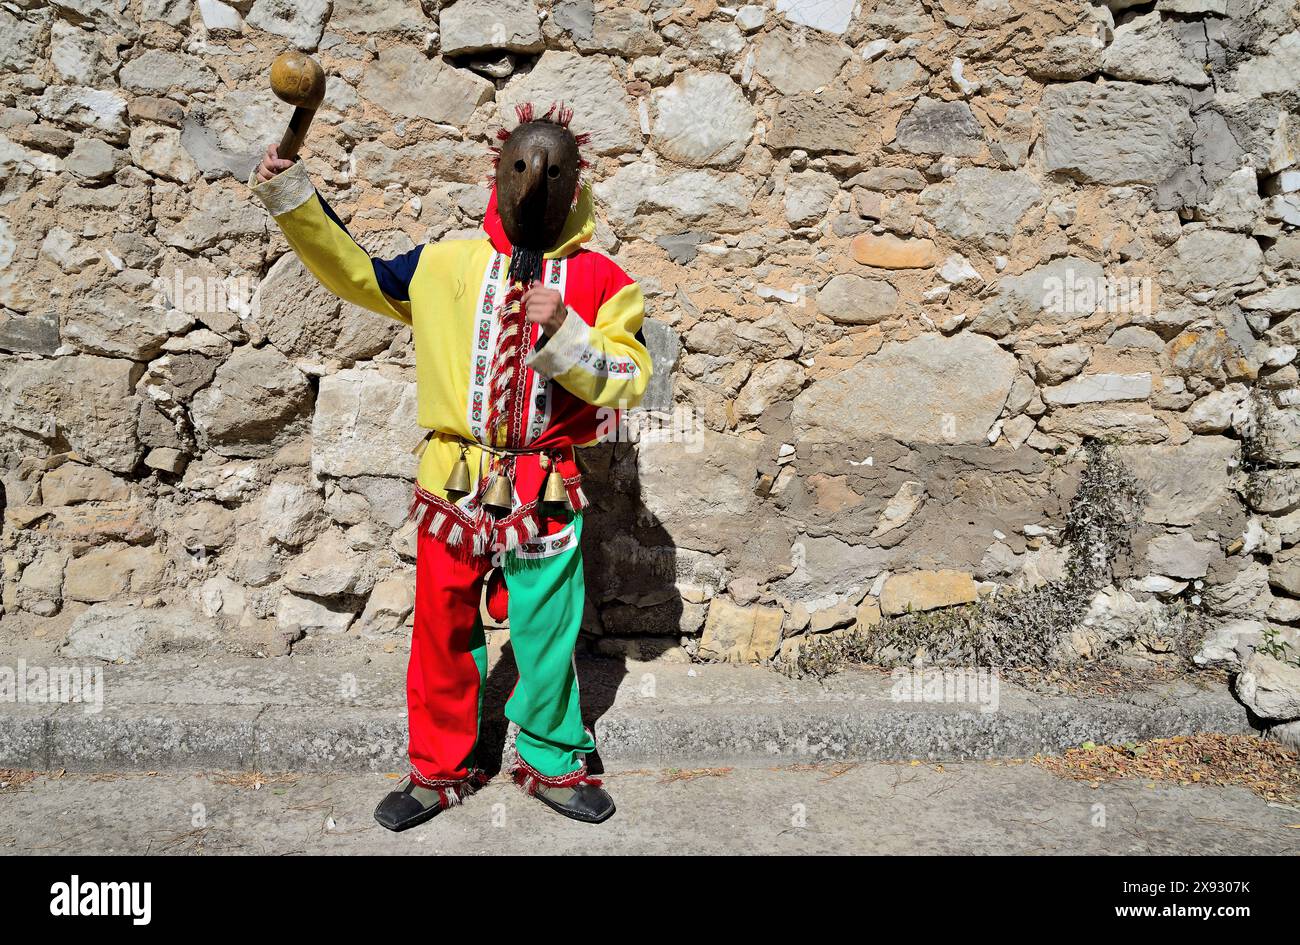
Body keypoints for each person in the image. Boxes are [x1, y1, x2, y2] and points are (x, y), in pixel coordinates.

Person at [249, 103, 651, 830]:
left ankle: (552, 756)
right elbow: (361, 272)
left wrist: (566, 329)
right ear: (497, 177)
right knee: (440, 625)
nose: (534, 181)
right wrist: (297, 200)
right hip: (452, 481)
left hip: (547, 481)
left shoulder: (604, 282)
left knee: (548, 629)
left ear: (576, 186)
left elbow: (629, 378)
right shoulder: (443, 264)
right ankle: (439, 767)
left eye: (552, 170)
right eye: (522, 166)